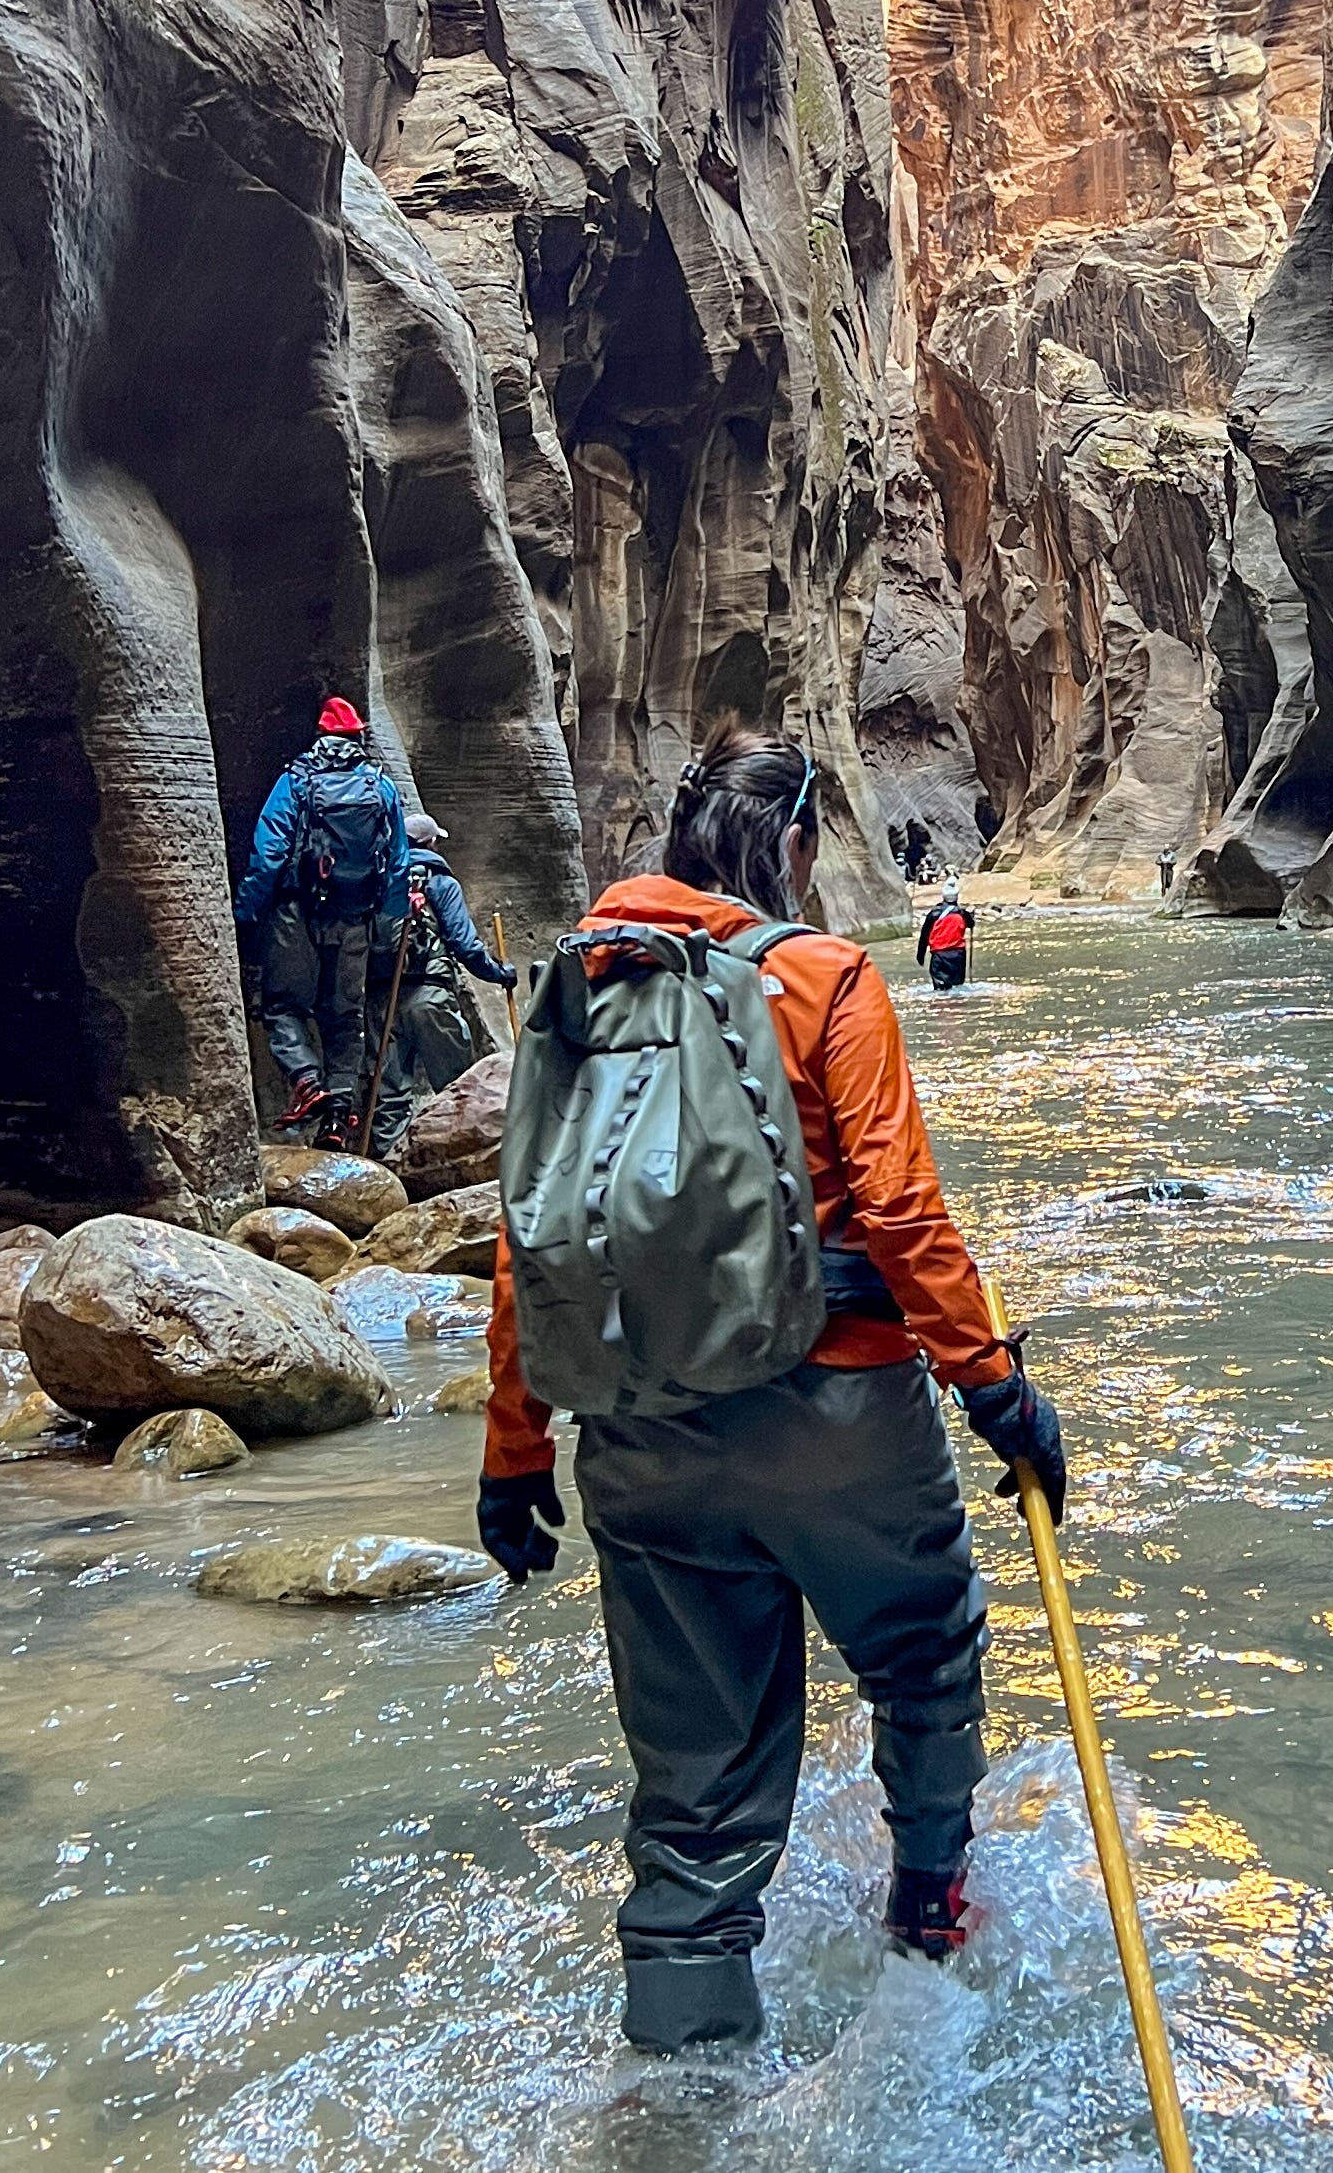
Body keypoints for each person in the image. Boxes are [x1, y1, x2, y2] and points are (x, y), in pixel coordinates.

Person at [471, 723, 1069, 2056]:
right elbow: (902, 1215)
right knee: (921, 1659)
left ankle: (680, 2094)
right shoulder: (822, 976)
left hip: (636, 1434)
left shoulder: (581, 982)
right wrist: (994, 1388)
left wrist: (514, 1449)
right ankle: (928, 1906)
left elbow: (533, 1235)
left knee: (690, 1813)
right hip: (841, 1417)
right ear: (795, 844)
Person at [235, 698, 408, 1149]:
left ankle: (307, 1081)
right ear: (358, 736)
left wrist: (247, 912)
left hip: (296, 915)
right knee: (344, 1019)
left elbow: (269, 853)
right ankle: (336, 1119)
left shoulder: (295, 781)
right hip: (354, 919)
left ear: (320, 734)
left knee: (283, 1008)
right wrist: (388, 925)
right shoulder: (382, 788)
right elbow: (397, 863)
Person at [368, 814, 516, 1153]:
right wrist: (499, 973)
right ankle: (466, 1163)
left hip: (379, 998)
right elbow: (464, 944)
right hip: (429, 996)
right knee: (458, 1090)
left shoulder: (378, 880)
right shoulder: (439, 881)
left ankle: (391, 1174)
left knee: (388, 1095)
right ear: (431, 842)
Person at [915, 877, 972, 992]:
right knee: (957, 987)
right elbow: (971, 924)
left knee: (940, 988)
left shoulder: (934, 913)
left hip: (939, 956)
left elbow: (924, 935)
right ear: (956, 897)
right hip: (958, 956)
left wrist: (920, 956)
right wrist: (971, 915)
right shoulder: (961, 913)